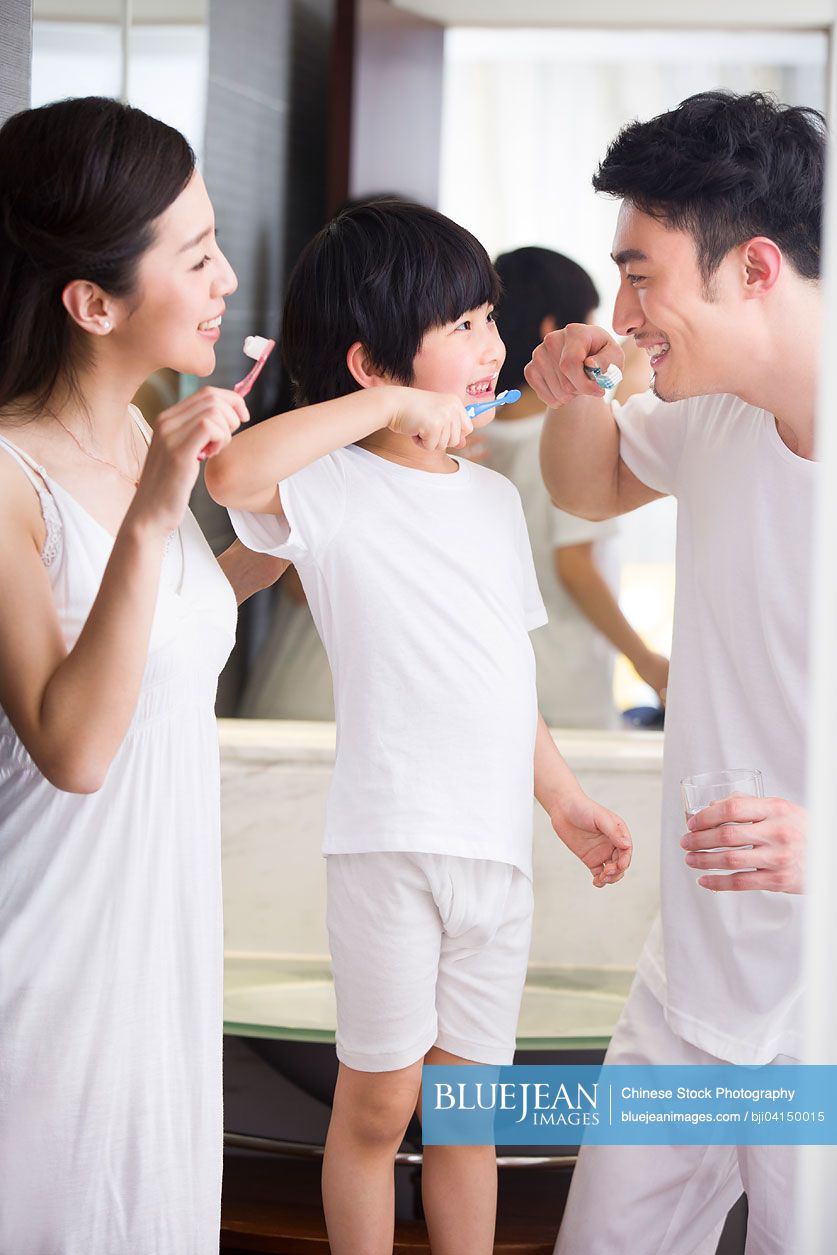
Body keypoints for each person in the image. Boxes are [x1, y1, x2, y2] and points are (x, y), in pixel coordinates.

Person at [205, 199, 634, 1255]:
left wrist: (565, 795)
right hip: (390, 843)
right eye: (468, 326)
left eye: (492, 319)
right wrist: (383, 406)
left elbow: (506, 674)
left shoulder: (490, 503)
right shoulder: (329, 483)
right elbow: (231, 473)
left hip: (497, 854)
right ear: (374, 364)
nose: (496, 345)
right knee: (378, 1104)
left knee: (466, 1118)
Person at [0, 96, 292, 1254]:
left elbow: (177, 620)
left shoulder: (146, 433)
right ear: (91, 301)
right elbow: (73, 746)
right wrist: (153, 513)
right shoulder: (11, 474)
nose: (226, 280)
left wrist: (309, 515)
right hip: (50, 955)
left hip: (158, 946)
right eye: (199, 254)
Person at [526, 91, 816, 1255]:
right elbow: (587, 489)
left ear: (752, 268)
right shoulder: (718, 418)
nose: (627, 312)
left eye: (642, 276)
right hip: (693, 976)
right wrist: (578, 388)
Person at [485, 245, 668, 728]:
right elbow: (576, 567)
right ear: (556, 332)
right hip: (564, 679)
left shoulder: (477, 434)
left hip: (499, 671)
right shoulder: (560, 437)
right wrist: (648, 664)